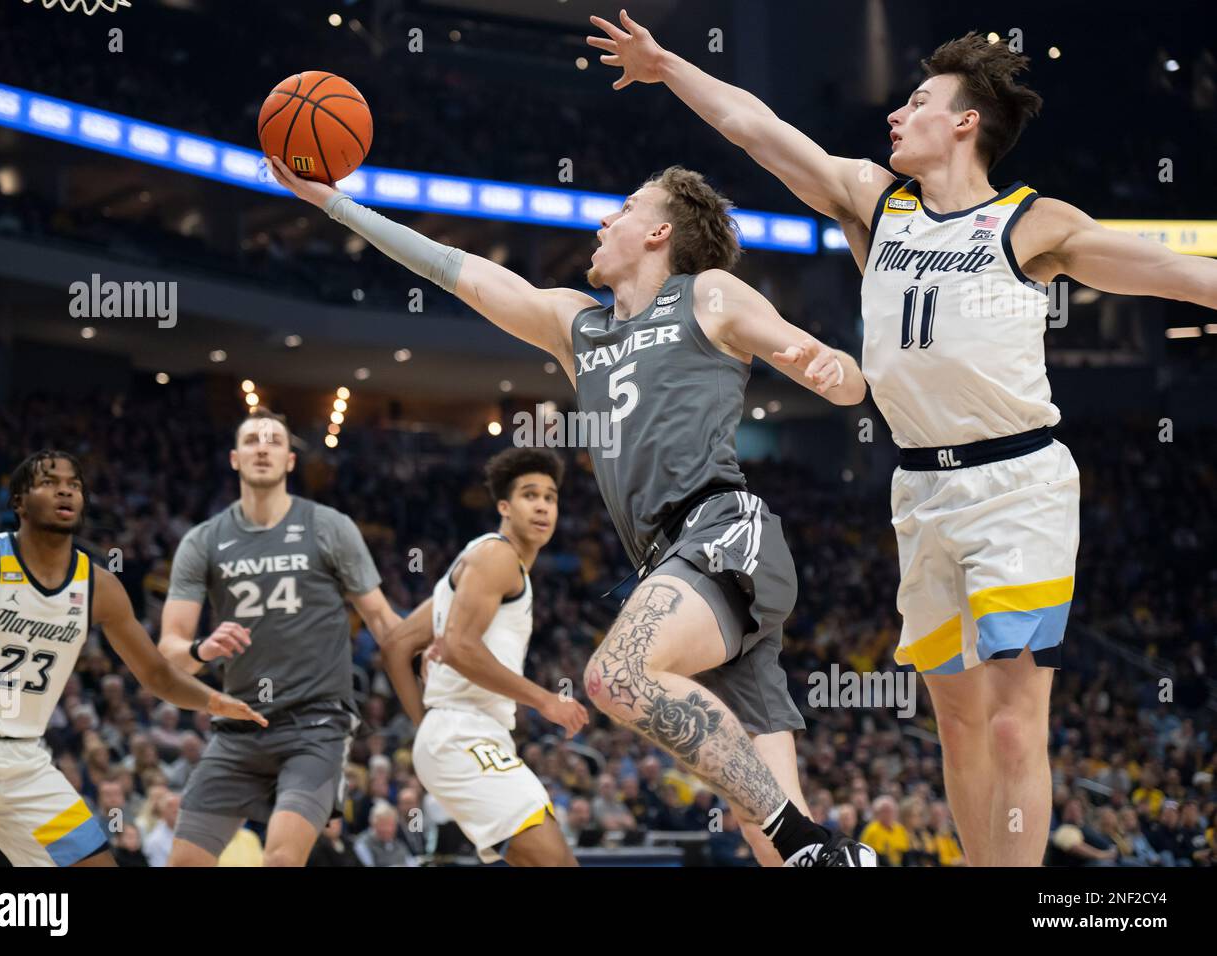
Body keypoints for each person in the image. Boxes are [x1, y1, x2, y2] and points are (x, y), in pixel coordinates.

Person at [588, 10, 1217, 866]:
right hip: (920, 489)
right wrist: (667, 68)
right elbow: (758, 130)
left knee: (1006, 725)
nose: (895, 113)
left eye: (917, 101)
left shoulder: (1034, 223)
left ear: (965, 122)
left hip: (1018, 485)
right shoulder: (876, 203)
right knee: (956, 729)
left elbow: (1179, 273)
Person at [270, 125, 872, 866]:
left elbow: (841, 379)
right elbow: (451, 269)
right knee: (763, 820)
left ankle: (809, 840)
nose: (599, 220)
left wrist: (830, 369)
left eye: (619, 209)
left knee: (615, 677)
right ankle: (812, 846)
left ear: (659, 231)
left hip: (723, 531)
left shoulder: (706, 294)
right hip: (672, 568)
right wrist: (335, 204)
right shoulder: (575, 327)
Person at [0, 451, 262, 867]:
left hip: (24, 761)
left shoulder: (99, 586)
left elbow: (154, 673)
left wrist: (213, 701)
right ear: (19, 503)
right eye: (48, 481)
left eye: (74, 484)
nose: (65, 489)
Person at [159, 408, 400, 867]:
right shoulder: (203, 541)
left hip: (316, 726)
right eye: (252, 440)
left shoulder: (329, 526)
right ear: (234, 458)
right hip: (238, 727)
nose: (263, 448)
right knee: (184, 863)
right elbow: (170, 655)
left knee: (282, 860)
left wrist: (428, 664)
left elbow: (384, 622)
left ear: (291, 460)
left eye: (274, 441)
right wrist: (201, 649)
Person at [382, 448, 587, 866]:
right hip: (463, 732)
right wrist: (546, 700)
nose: (543, 506)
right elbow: (458, 647)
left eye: (551, 497)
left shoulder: (478, 565)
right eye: (530, 495)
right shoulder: (498, 556)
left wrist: (427, 727)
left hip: (463, 733)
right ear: (504, 507)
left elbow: (397, 645)